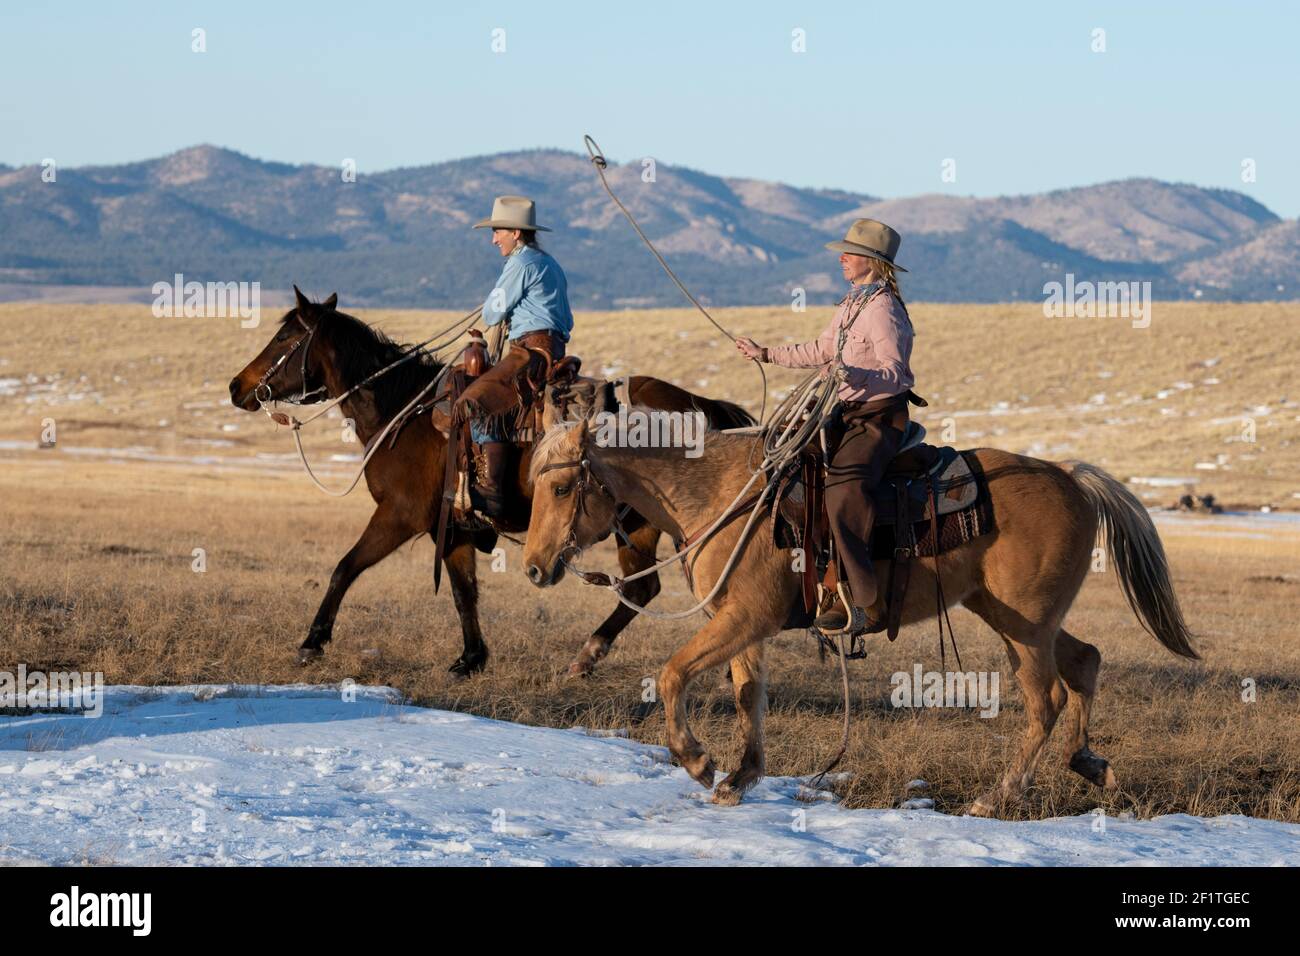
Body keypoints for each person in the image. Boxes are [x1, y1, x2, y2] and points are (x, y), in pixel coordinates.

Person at [736, 219, 920, 634]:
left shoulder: (884, 310)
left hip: (877, 417)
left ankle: (862, 599)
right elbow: (820, 349)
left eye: (850, 253)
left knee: (844, 491)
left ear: (872, 262)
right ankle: (803, 582)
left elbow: (896, 372)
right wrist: (765, 353)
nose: (841, 257)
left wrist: (850, 374)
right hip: (841, 414)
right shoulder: (851, 303)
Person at [453, 195, 574, 517]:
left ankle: (491, 489)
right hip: (551, 347)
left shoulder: (521, 263)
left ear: (516, 233)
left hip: (529, 352)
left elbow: (493, 313)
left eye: (498, 232)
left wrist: (497, 303)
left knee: (474, 399)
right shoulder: (548, 262)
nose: (494, 240)